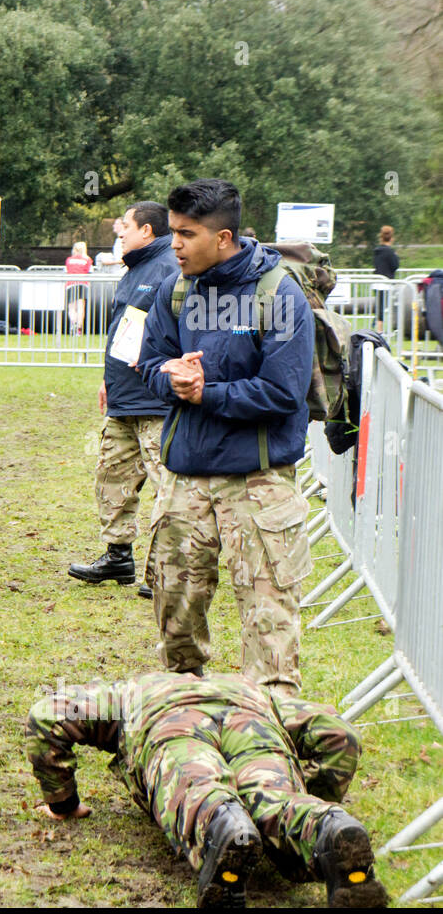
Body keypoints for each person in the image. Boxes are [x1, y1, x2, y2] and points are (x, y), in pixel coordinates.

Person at [138, 178, 314, 697]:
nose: (174, 244)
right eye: (171, 231)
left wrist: (204, 393)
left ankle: (272, 735)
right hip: (184, 477)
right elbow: (148, 364)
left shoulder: (277, 294)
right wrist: (169, 378)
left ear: (223, 238)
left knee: (267, 616)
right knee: (176, 608)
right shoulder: (175, 289)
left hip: (257, 482)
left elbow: (283, 392)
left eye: (186, 234)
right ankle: (185, 709)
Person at [25, 671, 389, 908]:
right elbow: (340, 736)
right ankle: (327, 827)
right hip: (253, 720)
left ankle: (226, 827)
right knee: (277, 800)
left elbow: (48, 715)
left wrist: (63, 802)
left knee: (198, 789)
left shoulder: (127, 693)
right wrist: (318, 794)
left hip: (169, 723)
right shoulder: (250, 687)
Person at [69, 201, 179, 599]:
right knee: (111, 475)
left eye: (125, 227)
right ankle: (118, 557)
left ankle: (167, 570)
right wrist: (107, 379)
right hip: (123, 396)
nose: (119, 233)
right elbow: (123, 328)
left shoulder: (171, 266)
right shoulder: (135, 268)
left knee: (167, 483)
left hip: (155, 400)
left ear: (147, 230)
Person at [373, 226, 399, 328]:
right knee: (383, 308)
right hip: (386, 282)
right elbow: (395, 266)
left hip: (377, 281)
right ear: (392, 238)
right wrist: (396, 256)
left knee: (379, 307)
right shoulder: (390, 252)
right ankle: (380, 330)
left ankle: (378, 327)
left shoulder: (377, 251)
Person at [64, 240, 92, 334]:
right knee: (81, 307)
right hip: (82, 283)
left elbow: (66, 271)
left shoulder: (69, 260)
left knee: (72, 308)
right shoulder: (87, 260)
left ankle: (73, 324)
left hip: (70, 284)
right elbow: (90, 272)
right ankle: (79, 328)